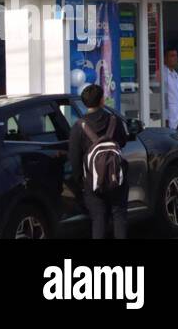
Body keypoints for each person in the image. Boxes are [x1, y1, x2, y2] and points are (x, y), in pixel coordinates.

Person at [68, 83, 130, 239]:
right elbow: (122, 142)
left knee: (98, 219)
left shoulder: (78, 127)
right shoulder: (114, 121)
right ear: (102, 100)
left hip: (93, 182)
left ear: (84, 103)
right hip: (117, 179)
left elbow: (74, 159)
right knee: (119, 216)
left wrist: (80, 182)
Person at [162, 47, 178, 132]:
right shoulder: (161, 74)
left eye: (176, 56)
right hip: (169, 119)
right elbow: (161, 97)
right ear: (165, 58)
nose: (175, 58)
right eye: (172, 56)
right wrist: (165, 118)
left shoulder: (176, 75)